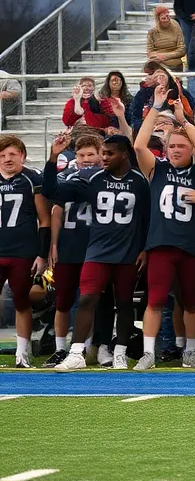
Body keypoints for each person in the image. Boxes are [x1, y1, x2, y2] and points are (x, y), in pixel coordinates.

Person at [131, 86, 195, 370]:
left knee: (192, 302)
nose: (174, 150)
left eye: (180, 146)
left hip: (191, 246)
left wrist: (184, 120)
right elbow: (138, 145)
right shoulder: (156, 169)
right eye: (171, 146)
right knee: (156, 300)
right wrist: (157, 107)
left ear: (189, 150)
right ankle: (149, 353)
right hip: (161, 244)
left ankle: (192, 353)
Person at [44, 132, 151, 372]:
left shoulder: (139, 181)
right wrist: (53, 157)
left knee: (124, 303)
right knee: (87, 298)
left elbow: (147, 218)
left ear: (124, 155)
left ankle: (120, 353)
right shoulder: (92, 179)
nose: (104, 158)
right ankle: (76, 353)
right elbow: (52, 192)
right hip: (97, 250)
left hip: (128, 251)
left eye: (110, 153)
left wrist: (144, 248)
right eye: (103, 152)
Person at [0, 135, 49, 368]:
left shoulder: (32, 178)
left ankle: (22, 352)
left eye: (12, 154)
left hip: (22, 251)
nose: (7, 159)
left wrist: (42, 253)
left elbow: (45, 219)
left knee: (21, 302)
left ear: (22, 155)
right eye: (2, 155)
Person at [147, 4, 187, 70]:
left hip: (174, 62)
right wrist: (158, 57)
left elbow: (182, 49)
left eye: (168, 16)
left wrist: (165, 56)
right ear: (158, 19)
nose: (167, 20)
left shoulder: (175, 25)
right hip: (158, 62)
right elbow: (149, 52)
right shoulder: (152, 30)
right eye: (163, 18)